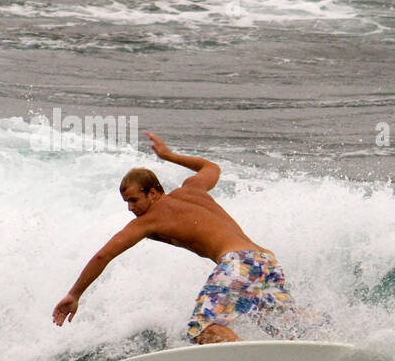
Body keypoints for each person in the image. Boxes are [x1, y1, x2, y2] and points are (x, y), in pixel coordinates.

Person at [51, 131, 323, 343]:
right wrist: (169, 155)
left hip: (237, 263)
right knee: (278, 323)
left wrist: (74, 294)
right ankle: (325, 334)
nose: (130, 208)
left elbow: (103, 255)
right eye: (126, 202)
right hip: (264, 260)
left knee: (201, 328)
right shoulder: (193, 189)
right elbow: (211, 167)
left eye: (134, 200)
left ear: (153, 193)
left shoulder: (150, 220)